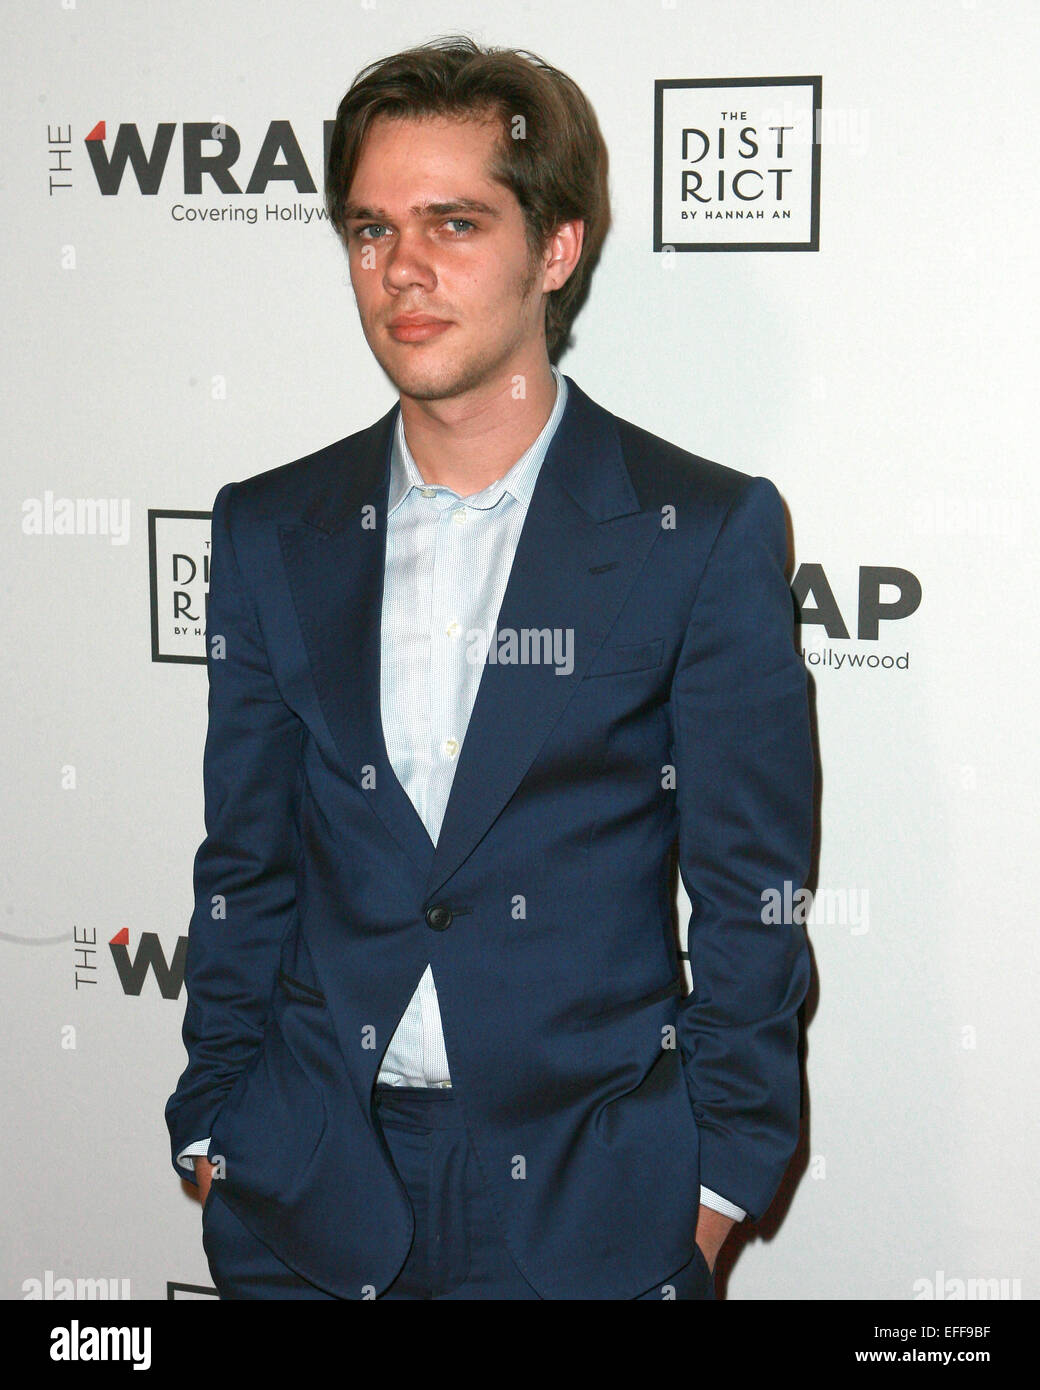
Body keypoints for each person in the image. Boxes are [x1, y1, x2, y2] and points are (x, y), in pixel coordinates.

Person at [165, 35, 815, 1301]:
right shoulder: (267, 528)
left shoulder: (697, 531)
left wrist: (714, 1187)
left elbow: (752, 895)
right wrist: (217, 1120)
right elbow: (243, 859)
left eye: (453, 223)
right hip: (304, 1183)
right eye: (369, 229)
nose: (402, 270)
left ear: (554, 248)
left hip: (591, 1204)